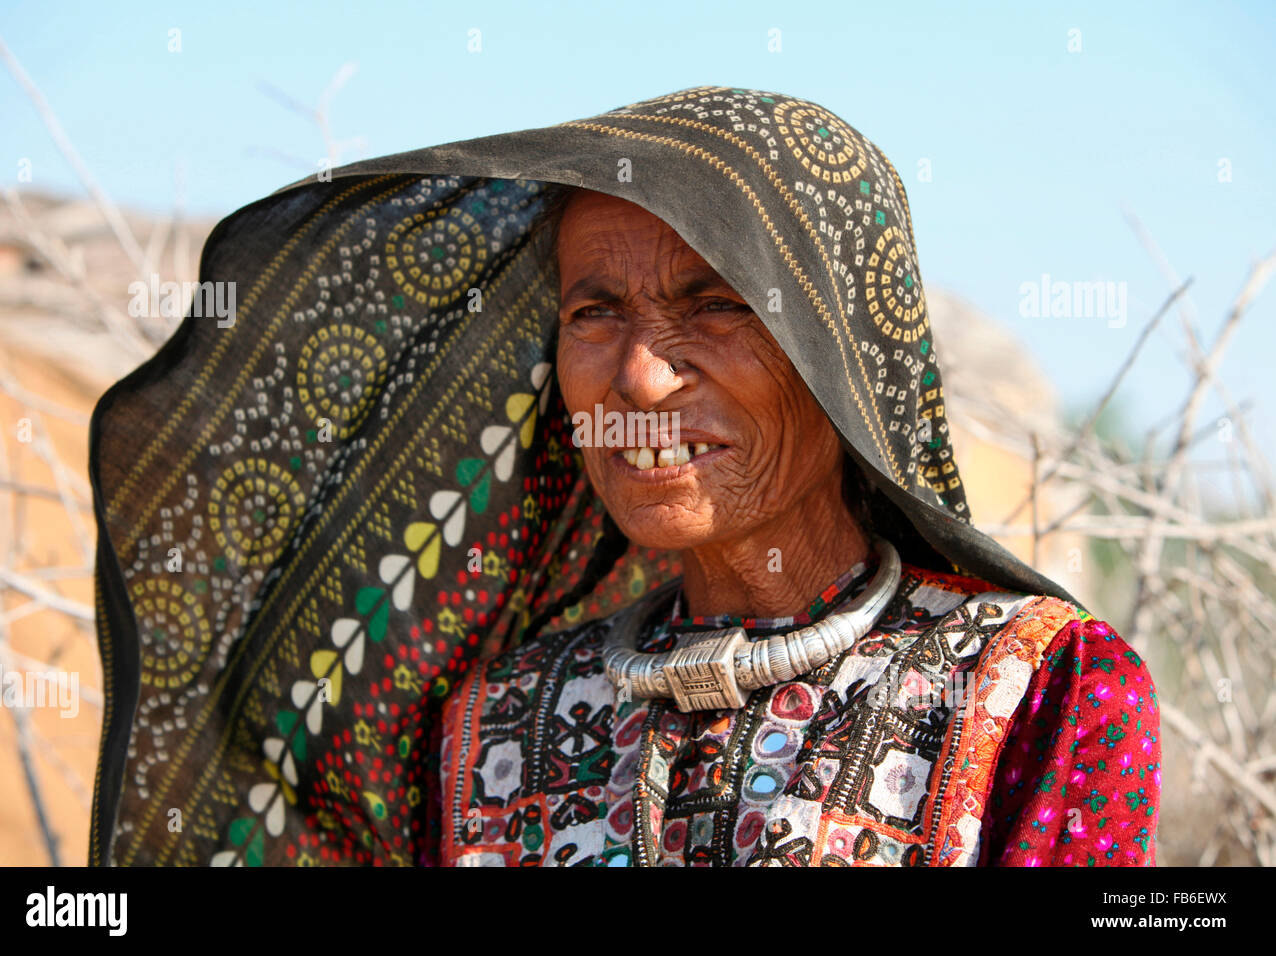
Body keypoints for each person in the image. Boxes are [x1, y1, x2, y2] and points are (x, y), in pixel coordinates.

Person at [88, 86, 1159, 868]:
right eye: (592, 312)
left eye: (717, 305)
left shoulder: (1042, 697)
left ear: (841, 355)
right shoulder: (488, 724)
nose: (637, 377)